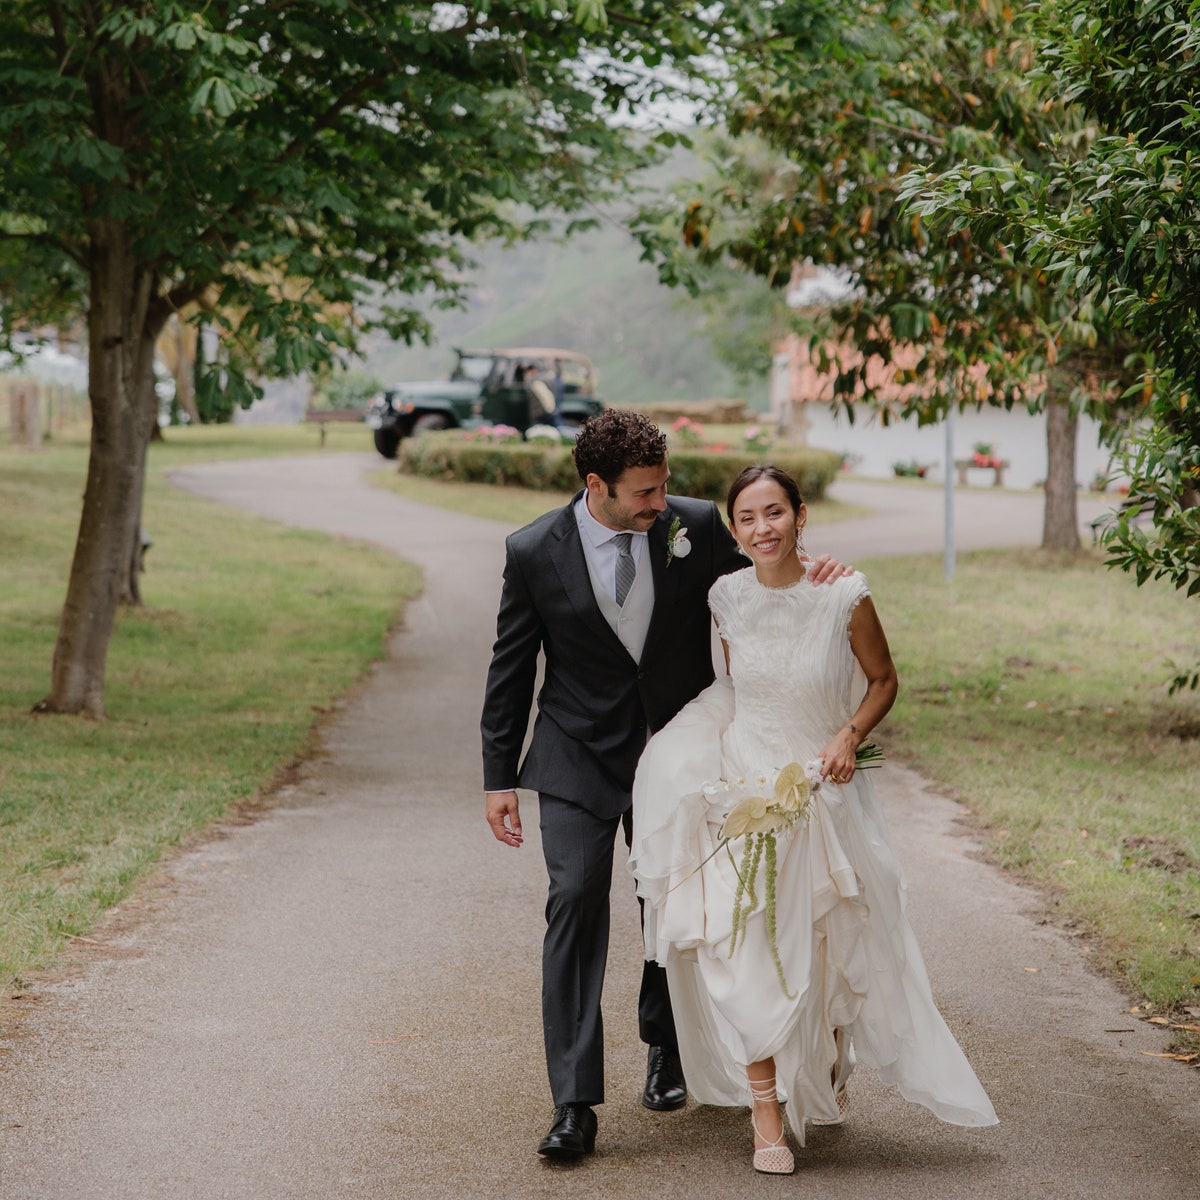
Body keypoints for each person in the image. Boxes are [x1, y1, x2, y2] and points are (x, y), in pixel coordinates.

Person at [480, 413, 850, 1161]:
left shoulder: (692, 525)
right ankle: (574, 1104)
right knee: (575, 901)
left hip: (677, 751)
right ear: (597, 487)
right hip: (577, 753)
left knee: (677, 901)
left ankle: (667, 1047)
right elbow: (511, 666)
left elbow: (760, 582)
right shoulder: (531, 551)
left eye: (664, 486)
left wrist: (819, 575)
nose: (660, 503)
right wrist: (499, 777)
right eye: (645, 492)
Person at [629, 464, 998, 1175]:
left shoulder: (844, 594)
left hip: (824, 790)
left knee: (828, 945)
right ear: (733, 530)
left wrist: (848, 737)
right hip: (744, 791)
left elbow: (884, 679)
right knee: (741, 950)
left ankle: (828, 1056)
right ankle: (764, 1112)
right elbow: (734, 688)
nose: (762, 528)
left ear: (801, 515)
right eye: (747, 518)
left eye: (775, 512)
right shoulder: (725, 597)